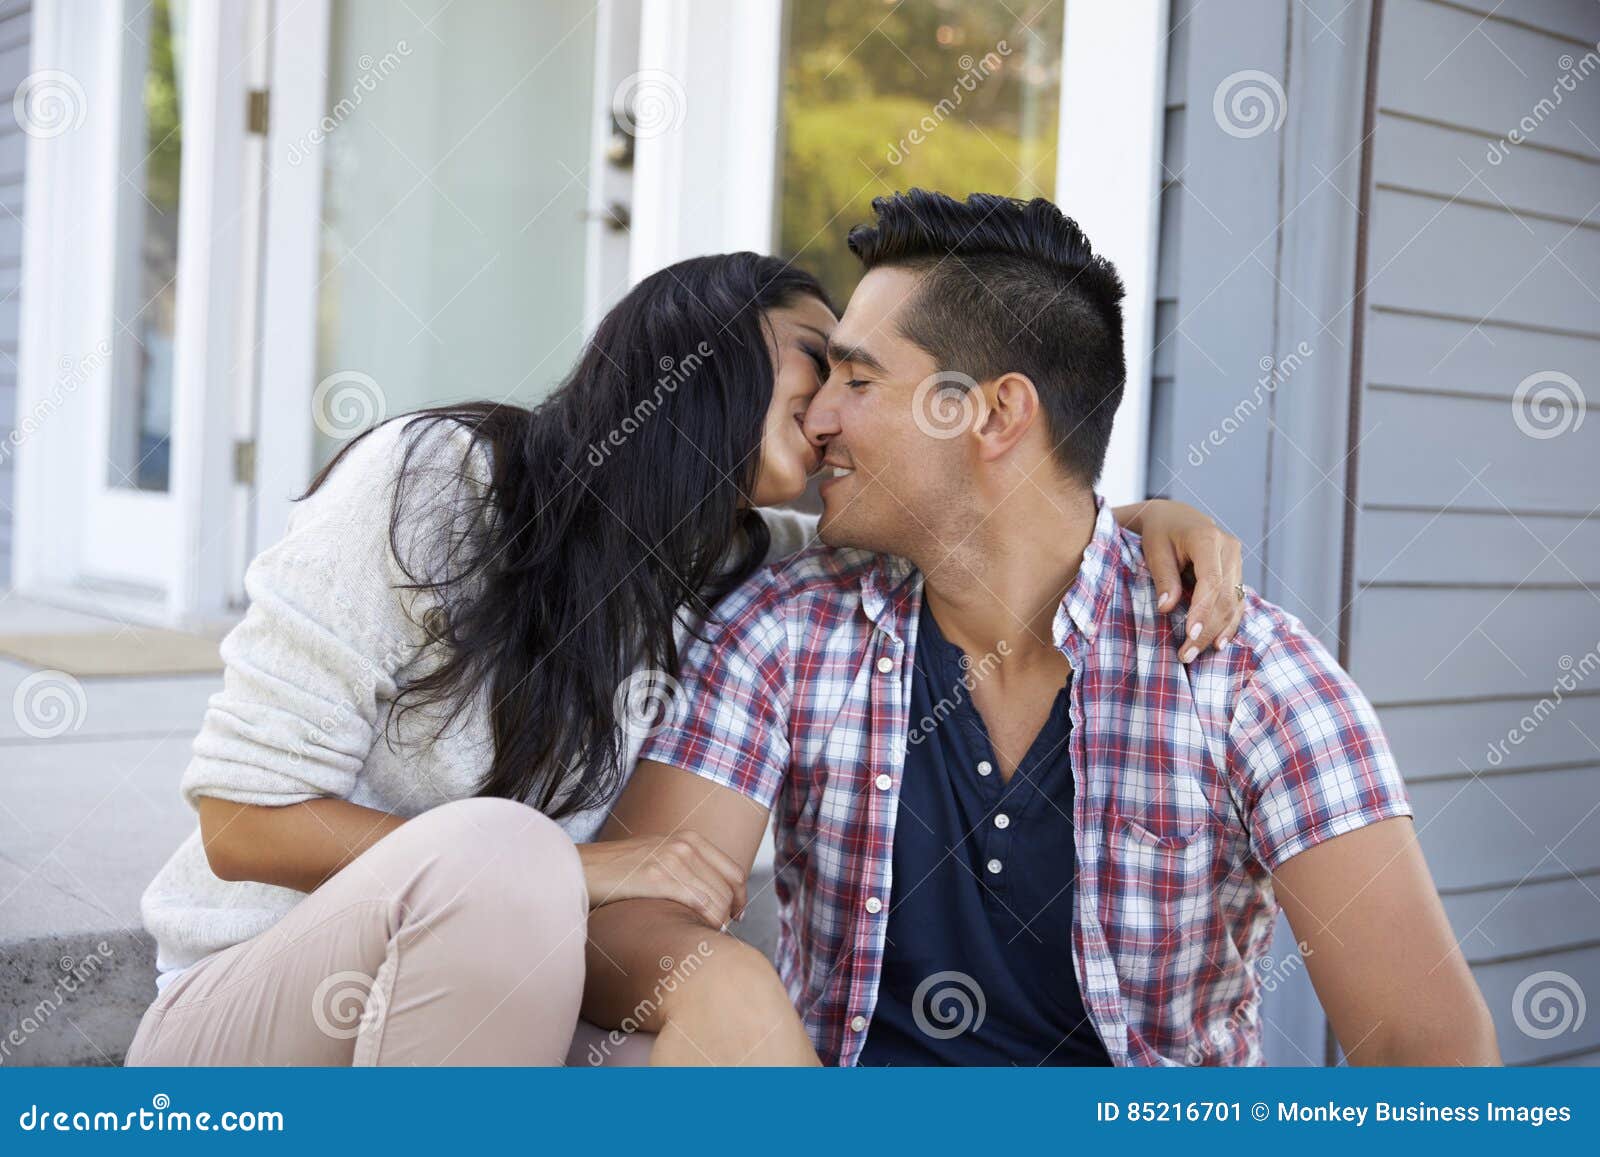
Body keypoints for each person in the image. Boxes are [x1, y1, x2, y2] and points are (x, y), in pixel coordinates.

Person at [126, 250, 1242, 1067]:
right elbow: (238, 819)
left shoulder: (741, 564)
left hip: (494, 996)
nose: (836, 406)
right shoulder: (438, 479)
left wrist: (1140, 520)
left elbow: (980, 532)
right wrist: (580, 867)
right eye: (824, 362)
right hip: (262, 1021)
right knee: (501, 849)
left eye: (862, 380)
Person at [586, 191, 1501, 1067]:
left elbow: (1425, 1051)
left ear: (993, 412)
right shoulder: (786, 631)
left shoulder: (1254, 676)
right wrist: (726, 979)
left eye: (859, 379)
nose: (818, 418)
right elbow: (627, 922)